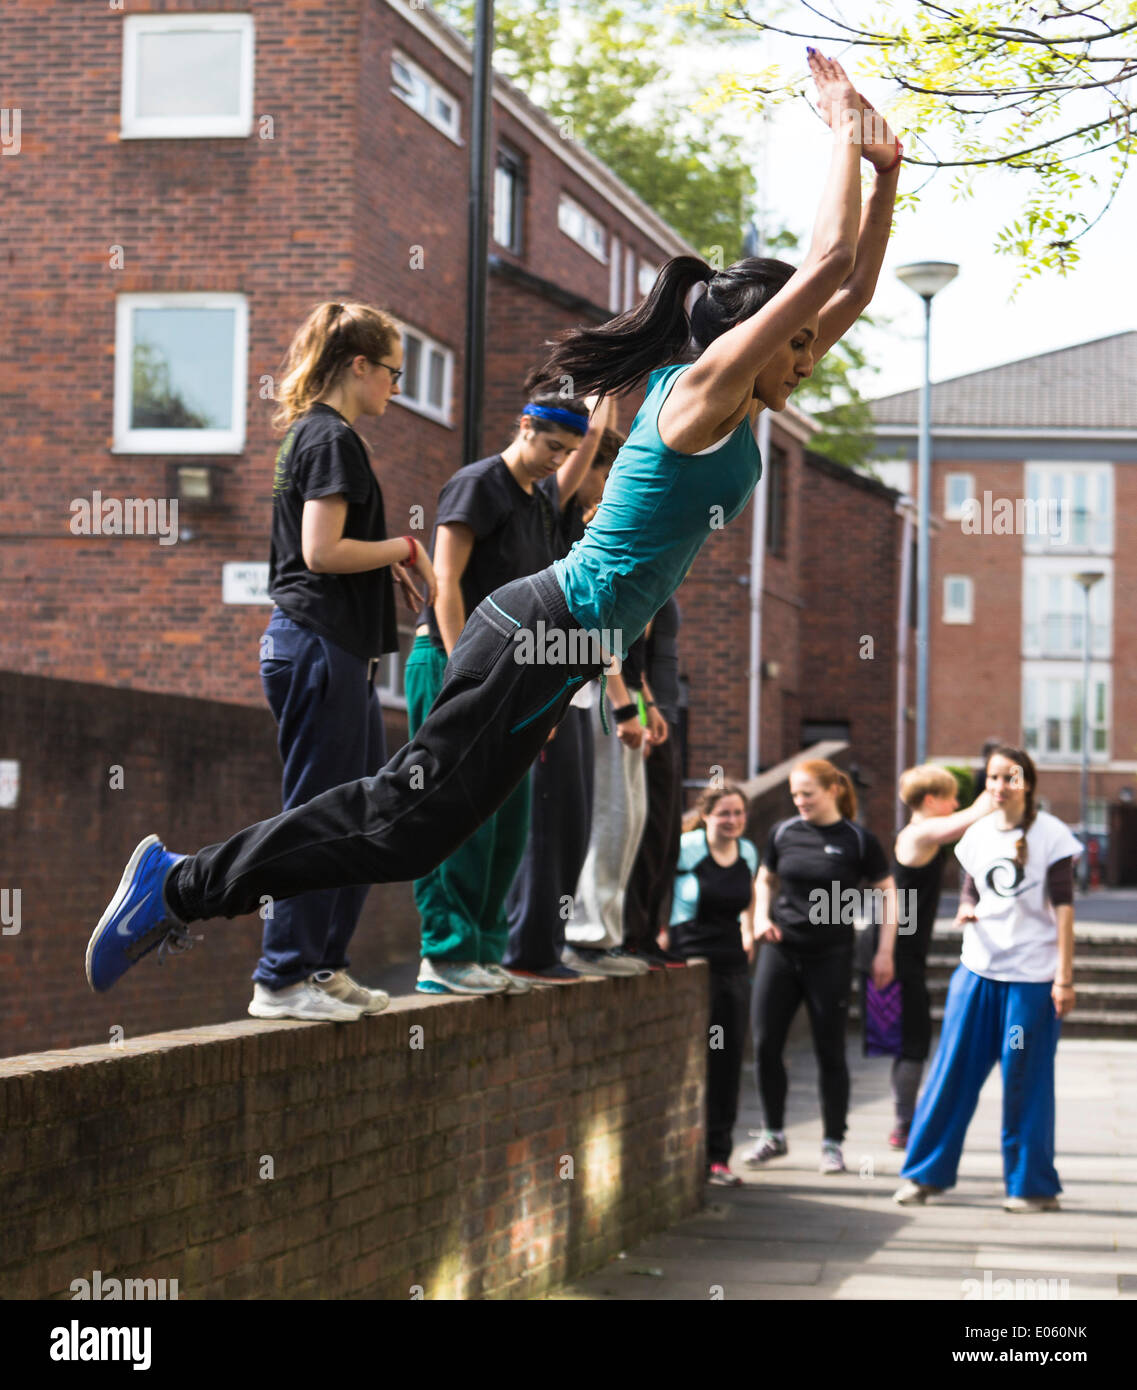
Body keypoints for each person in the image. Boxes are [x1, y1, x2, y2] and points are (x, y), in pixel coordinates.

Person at [85, 53, 903, 1008]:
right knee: (400, 817)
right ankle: (176, 887)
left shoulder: (742, 404)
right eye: (794, 342)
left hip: (555, 651)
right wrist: (844, 130)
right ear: (747, 338)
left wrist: (885, 176)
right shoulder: (701, 397)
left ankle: (197, 896)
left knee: (417, 831)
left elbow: (848, 290)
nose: (809, 359)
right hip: (535, 627)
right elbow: (824, 268)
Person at [250, 301, 436, 1022]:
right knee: (319, 814)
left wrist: (382, 561)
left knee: (361, 811)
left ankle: (322, 967)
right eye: (392, 371)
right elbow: (321, 552)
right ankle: (282, 976)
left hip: (333, 649)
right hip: (316, 645)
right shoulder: (331, 439)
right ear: (357, 365)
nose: (395, 385)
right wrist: (404, 550)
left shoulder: (321, 436)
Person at [405, 392, 601, 996]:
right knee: (453, 809)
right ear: (524, 426)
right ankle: (445, 952)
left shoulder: (539, 506)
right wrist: (470, 676)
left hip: (511, 679)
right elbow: (446, 586)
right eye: (551, 447)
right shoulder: (478, 485)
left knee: (507, 817)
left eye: (568, 452)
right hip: (454, 662)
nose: (558, 460)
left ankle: (486, 948)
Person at [894, 747, 1081, 1212]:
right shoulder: (977, 833)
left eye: (1010, 778)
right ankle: (924, 1176)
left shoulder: (1052, 836)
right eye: (993, 778)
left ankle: (1031, 1187)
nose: (999, 786)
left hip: (1031, 983)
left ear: (1028, 783)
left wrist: (1064, 977)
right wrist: (965, 907)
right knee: (951, 1073)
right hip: (976, 973)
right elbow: (973, 884)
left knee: (1025, 1079)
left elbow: (1064, 912)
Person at [503, 420, 625, 984]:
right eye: (602, 472)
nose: (604, 487)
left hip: (575, 690)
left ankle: (545, 946)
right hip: (547, 686)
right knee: (544, 827)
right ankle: (525, 948)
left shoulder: (576, 526)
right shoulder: (545, 509)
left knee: (574, 826)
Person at [744, 759, 897, 1174]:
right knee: (764, 1043)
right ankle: (773, 1134)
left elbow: (888, 894)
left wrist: (885, 951)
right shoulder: (783, 832)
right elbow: (765, 878)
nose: (800, 801)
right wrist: (760, 918)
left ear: (832, 790)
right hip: (781, 949)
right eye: (795, 794)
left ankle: (833, 1142)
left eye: (807, 793)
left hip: (830, 954)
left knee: (830, 1048)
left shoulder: (858, 840)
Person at [877, 765, 995, 1147]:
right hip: (895, 951)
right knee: (912, 1040)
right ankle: (902, 1126)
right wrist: (997, 779)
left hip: (904, 950)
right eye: (950, 796)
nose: (956, 803)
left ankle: (904, 1122)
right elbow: (973, 816)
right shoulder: (920, 832)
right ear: (931, 800)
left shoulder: (918, 834)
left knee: (909, 1039)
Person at [669, 782, 758, 1185]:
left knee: (725, 1059)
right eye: (724, 813)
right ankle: (680, 1151)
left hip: (732, 967)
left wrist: (750, 929)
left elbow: (751, 894)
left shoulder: (748, 852)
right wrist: (658, 934)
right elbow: (655, 885)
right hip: (689, 959)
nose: (732, 820)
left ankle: (718, 1157)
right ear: (706, 815)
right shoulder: (687, 848)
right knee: (689, 1056)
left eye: (738, 813)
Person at [622, 597, 688, 970]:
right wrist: (644, 713)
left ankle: (647, 933)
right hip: (651, 718)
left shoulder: (669, 581)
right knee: (649, 831)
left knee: (668, 835)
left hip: (666, 718)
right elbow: (635, 658)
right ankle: (632, 935)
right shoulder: (651, 578)